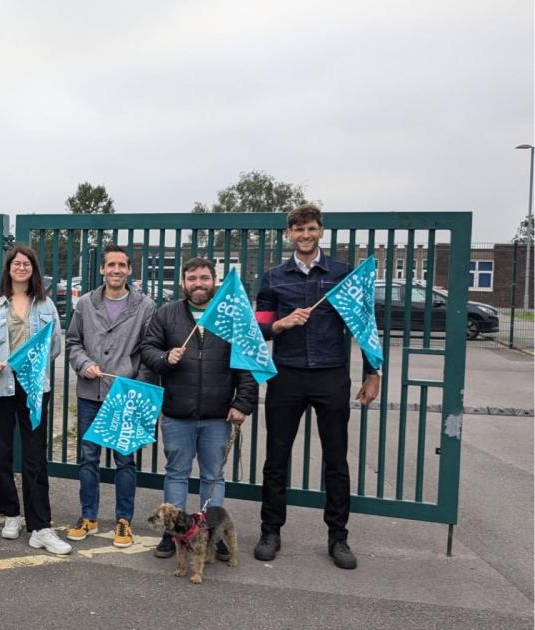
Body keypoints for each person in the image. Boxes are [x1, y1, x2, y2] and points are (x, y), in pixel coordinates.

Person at [253, 203, 381, 570]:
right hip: (287, 376)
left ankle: (338, 538)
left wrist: (374, 373)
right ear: (288, 234)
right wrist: (282, 323)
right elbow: (260, 328)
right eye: (298, 229)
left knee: (336, 461)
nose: (305, 235)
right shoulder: (274, 277)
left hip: (331, 376)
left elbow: (364, 325)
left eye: (311, 228)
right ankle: (270, 531)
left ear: (320, 231)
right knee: (276, 459)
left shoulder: (343, 274)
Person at [139, 257, 258, 560]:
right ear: (183, 282)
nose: (198, 284)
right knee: (176, 474)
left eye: (204, 278)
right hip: (177, 413)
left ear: (214, 280)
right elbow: (148, 351)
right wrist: (166, 357)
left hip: (219, 415)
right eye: (192, 278)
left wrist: (242, 403)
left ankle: (212, 533)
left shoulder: (229, 316)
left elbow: (247, 363)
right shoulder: (167, 314)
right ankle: (171, 534)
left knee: (213, 477)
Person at [0, 244, 71, 555]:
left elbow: (53, 345)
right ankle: (11, 514)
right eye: (16, 263)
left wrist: (34, 366)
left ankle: (40, 526)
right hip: (0, 387)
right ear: (9, 269)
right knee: (0, 454)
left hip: (33, 389)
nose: (21, 268)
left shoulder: (45, 305)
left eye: (26, 264)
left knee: (34, 456)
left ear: (33, 270)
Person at [64, 243, 156, 548]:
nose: (116, 270)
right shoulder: (86, 304)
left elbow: (148, 351)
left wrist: (135, 386)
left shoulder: (145, 307)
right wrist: (84, 364)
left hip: (125, 394)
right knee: (88, 458)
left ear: (129, 270)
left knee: (125, 460)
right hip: (91, 392)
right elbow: (73, 342)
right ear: (102, 269)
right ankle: (88, 516)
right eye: (110, 265)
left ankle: (123, 520)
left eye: (122, 265)